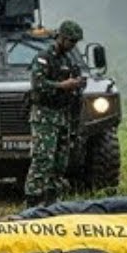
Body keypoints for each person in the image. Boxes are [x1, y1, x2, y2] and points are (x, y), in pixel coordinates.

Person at [24, 20, 86, 207]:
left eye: (76, 43)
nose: (73, 45)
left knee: (60, 162)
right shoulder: (44, 58)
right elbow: (38, 85)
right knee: (43, 160)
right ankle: (32, 202)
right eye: (71, 41)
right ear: (61, 38)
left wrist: (77, 85)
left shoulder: (68, 60)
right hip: (45, 115)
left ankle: (52, 202)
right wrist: (62, 86)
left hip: (62, 116)